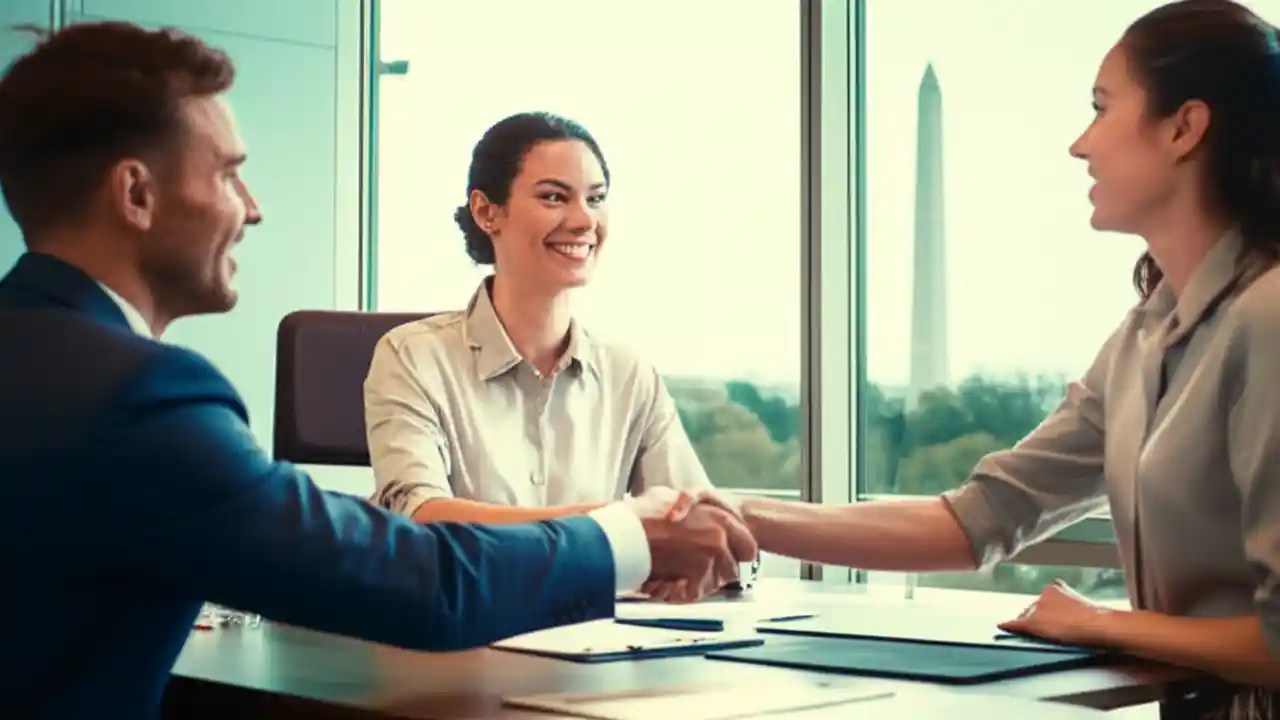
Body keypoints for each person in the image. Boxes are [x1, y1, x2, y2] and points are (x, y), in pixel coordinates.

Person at [0, 23, 756, 719]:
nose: (253, 209)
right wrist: (626, 535)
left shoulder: (38, 356)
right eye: (230, 175)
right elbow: (420, 582)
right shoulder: (139, 398)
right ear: (136, 193)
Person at [687, 1, 1280, 716]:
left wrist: (1100, 622)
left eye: (1101, 107)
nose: (1079, 144)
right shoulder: (1141, 342)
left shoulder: (1268, 319)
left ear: (1183, 127)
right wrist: (735, 512)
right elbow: (983, 518)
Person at [363, 114, 722, 555]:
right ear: (486, 211)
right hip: (471, 617)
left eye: (596, 198)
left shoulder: (628, 373)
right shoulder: (411, 357)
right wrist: (613, 525)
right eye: (554, 197)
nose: (583, 220)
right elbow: (418, 518)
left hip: (603, 622)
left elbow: (699, 525)